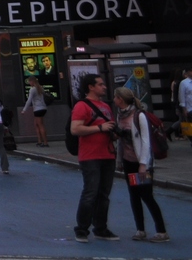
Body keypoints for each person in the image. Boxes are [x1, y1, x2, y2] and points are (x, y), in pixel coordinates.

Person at [113, 87, 168, 242]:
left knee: (146, 195)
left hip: (141, 163)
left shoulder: (139, 115)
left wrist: (143, 164)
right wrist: (119, 160)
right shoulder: (120, 115)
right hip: (128, 161)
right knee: (134, 195)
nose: (114, 100)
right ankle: (140, 229)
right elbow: (121, 142)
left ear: (121, 99)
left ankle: (162, 231)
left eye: (115, 97)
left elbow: (146, 141)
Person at [70, 73, 118, 243]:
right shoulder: (82, 106)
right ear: (91, 87)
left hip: (107, 153)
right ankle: (82, 229)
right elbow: (75, 129)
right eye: (100, 84)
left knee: (104, 194)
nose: (104, 87)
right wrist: (100, 128)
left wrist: (112, 133)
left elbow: (108, 127)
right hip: (90, 155)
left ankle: (101, 228)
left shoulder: (106, 106)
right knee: (91, 192)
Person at [22, 76, 49, 147]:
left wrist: (24, 109)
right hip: (43, 108)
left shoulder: (33, 89)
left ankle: (45, 142)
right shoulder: (40, 88)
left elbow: (29, 100)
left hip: (38, 109)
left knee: (40, 125)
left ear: (32, 81)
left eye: (29, 82)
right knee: (36, 124)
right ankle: (40, 141)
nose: (29, 83)